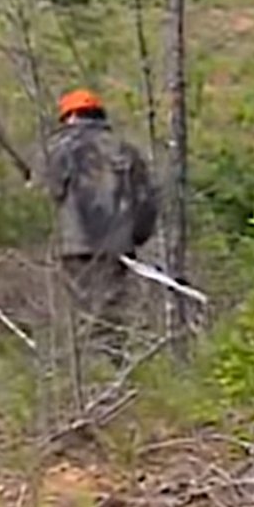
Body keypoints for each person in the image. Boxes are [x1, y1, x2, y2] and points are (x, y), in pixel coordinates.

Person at [42, 88, 159, 367]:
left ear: (69, 116)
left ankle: (92, 378)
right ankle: (114, 373)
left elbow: (47, 195)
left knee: (83, 316)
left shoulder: (62, 150)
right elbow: (147, 202)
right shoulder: (126, 150)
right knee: (113, 315)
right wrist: (136, 238)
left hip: (76, 247)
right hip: (119, 247)